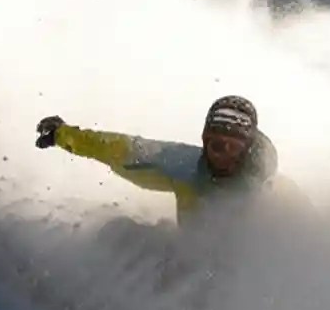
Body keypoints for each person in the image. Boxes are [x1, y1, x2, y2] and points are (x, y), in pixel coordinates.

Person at [34, 95, 291, 227]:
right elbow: (122, 149)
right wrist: (65, 135)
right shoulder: (187, 170)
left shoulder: (274, 191)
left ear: (246, 150)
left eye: (232, 147)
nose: (221, 154)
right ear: (203, 140)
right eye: (214, 143)